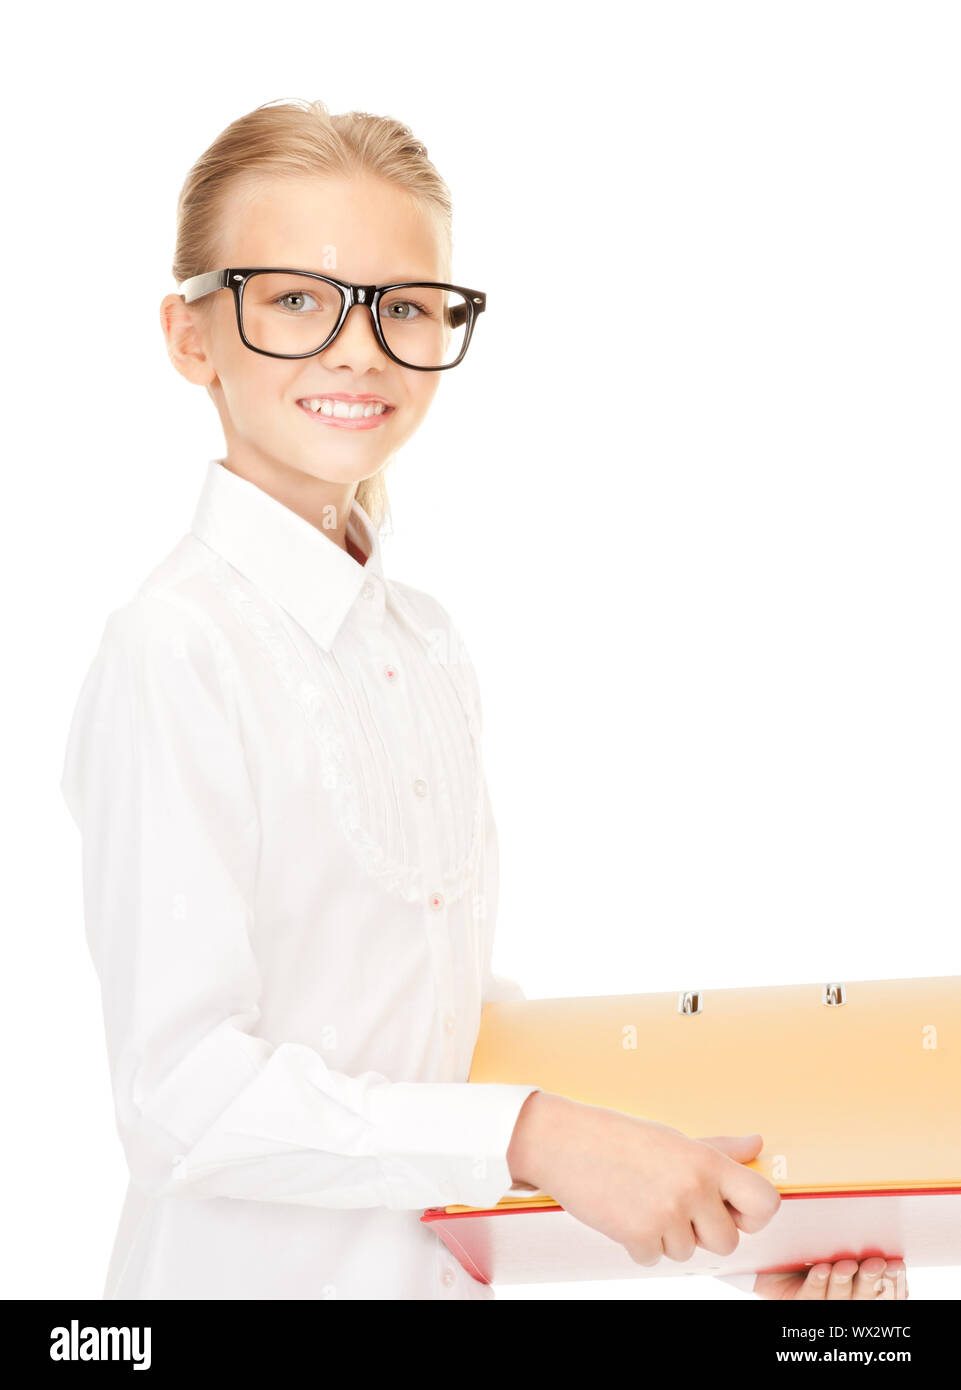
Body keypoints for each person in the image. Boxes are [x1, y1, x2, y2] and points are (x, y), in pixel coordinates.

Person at [59, 97, 907, 1303]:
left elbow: (447, 1030)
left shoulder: (425, 642)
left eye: (404, 306)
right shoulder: (174, 645)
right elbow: (181, 1098)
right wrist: (536, 1136)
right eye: (294, 297)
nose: (358, 349)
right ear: (191, 336)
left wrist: (733, 1228)